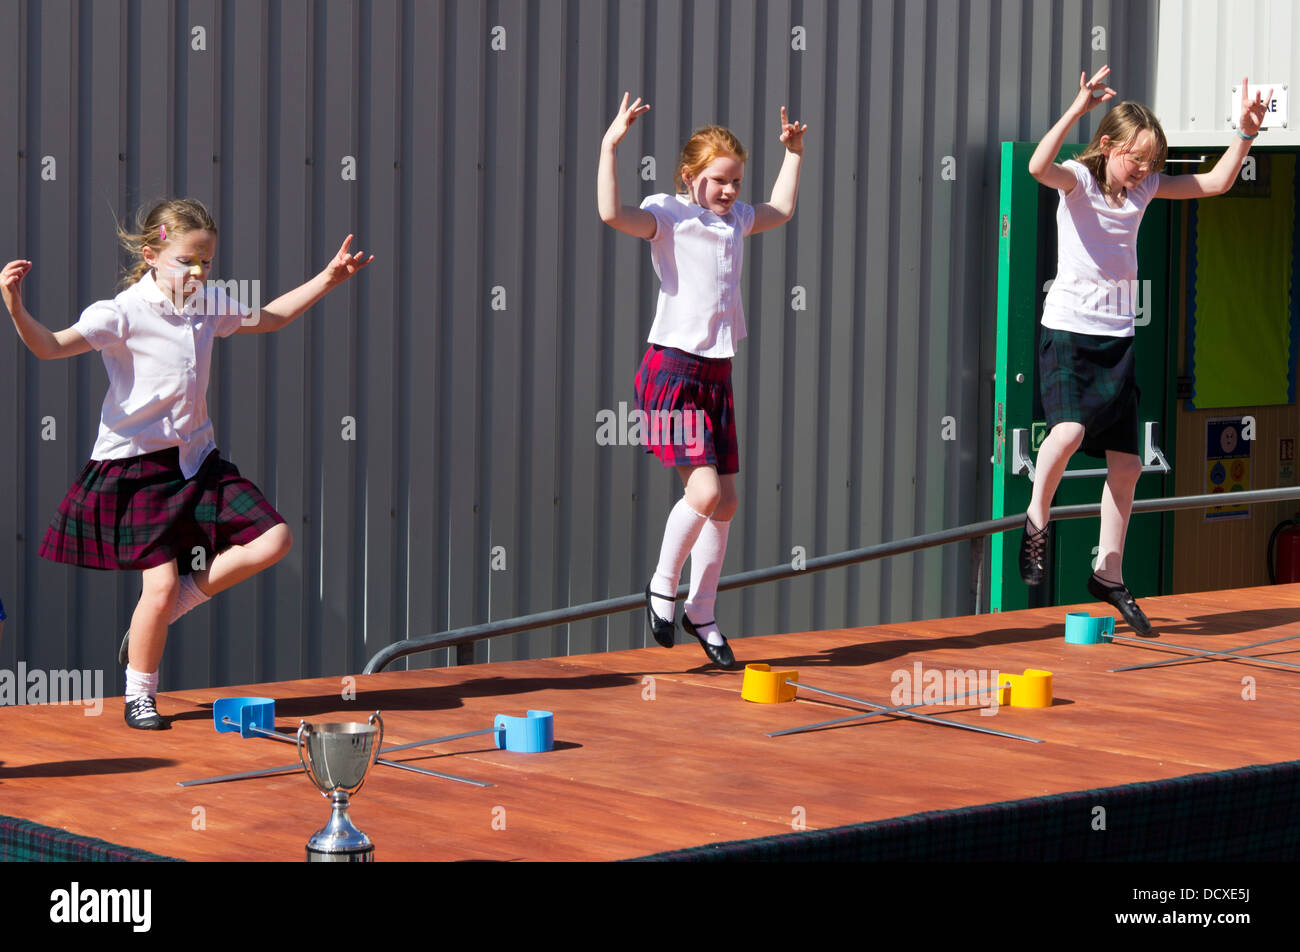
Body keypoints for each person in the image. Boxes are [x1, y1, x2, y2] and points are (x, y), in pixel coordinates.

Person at [1, 198, 372, 728]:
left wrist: (328, 279)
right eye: (187, 260)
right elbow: (49, 347)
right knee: (158, 585)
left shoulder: (209, 303)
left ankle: (178, 605)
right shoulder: (120, 313)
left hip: (196, 460)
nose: (198, 272)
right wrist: (15, 303)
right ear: (152, 255)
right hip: (136, 470)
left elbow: (270, 318)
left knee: (275, 540)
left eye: (207, 261)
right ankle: (139, 694)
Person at [1021, 67, 1269, 635]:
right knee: (1067, 433)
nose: (1145, 171)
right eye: (1137, 158)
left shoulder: (1147, 189)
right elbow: (1037, 167)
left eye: (1153, 162)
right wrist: (1078, 109)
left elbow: (1214, 184)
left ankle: (1108, 572)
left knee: (1128, 465)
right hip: (1068, 333)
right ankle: (1037, 518)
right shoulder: (1079, 182)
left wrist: (1246, 133)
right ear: (1108, 146)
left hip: (1118, 337)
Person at [598, 93, 807, 668]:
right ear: (690, 177)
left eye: (736, 182)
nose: (730, 192)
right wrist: (610, 145)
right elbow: (612, 215)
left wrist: (793, 153)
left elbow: (782, 209)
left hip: (716, 373)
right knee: (706, 492)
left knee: (727, 503)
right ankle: (663, 586)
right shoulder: (668, 214)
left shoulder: (737, 218)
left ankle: (703, 610)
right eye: (718, 181)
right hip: (671, 370)